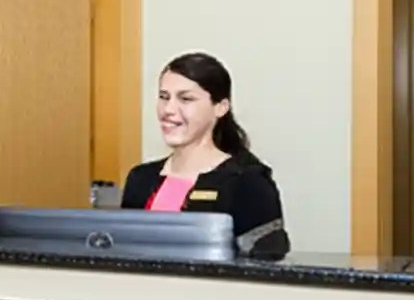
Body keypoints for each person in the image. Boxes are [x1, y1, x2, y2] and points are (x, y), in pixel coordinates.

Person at [121, 52, 290, 258]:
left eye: (186, 99)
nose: (168, 109)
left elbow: (267, 267)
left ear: (220, 108)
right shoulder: (140, 179)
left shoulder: (247, 182)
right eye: (164, 97)